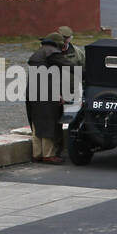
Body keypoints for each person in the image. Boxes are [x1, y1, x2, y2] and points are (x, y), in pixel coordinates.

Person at [26, 33, 76, 164]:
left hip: (33, 92)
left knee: (37, 122)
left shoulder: (38, 53)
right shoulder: (52, 53)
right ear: (57, 44)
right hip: (47, 93)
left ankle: (37, 154)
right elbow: (70, 66)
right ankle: (49, 155)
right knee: (49, 122)